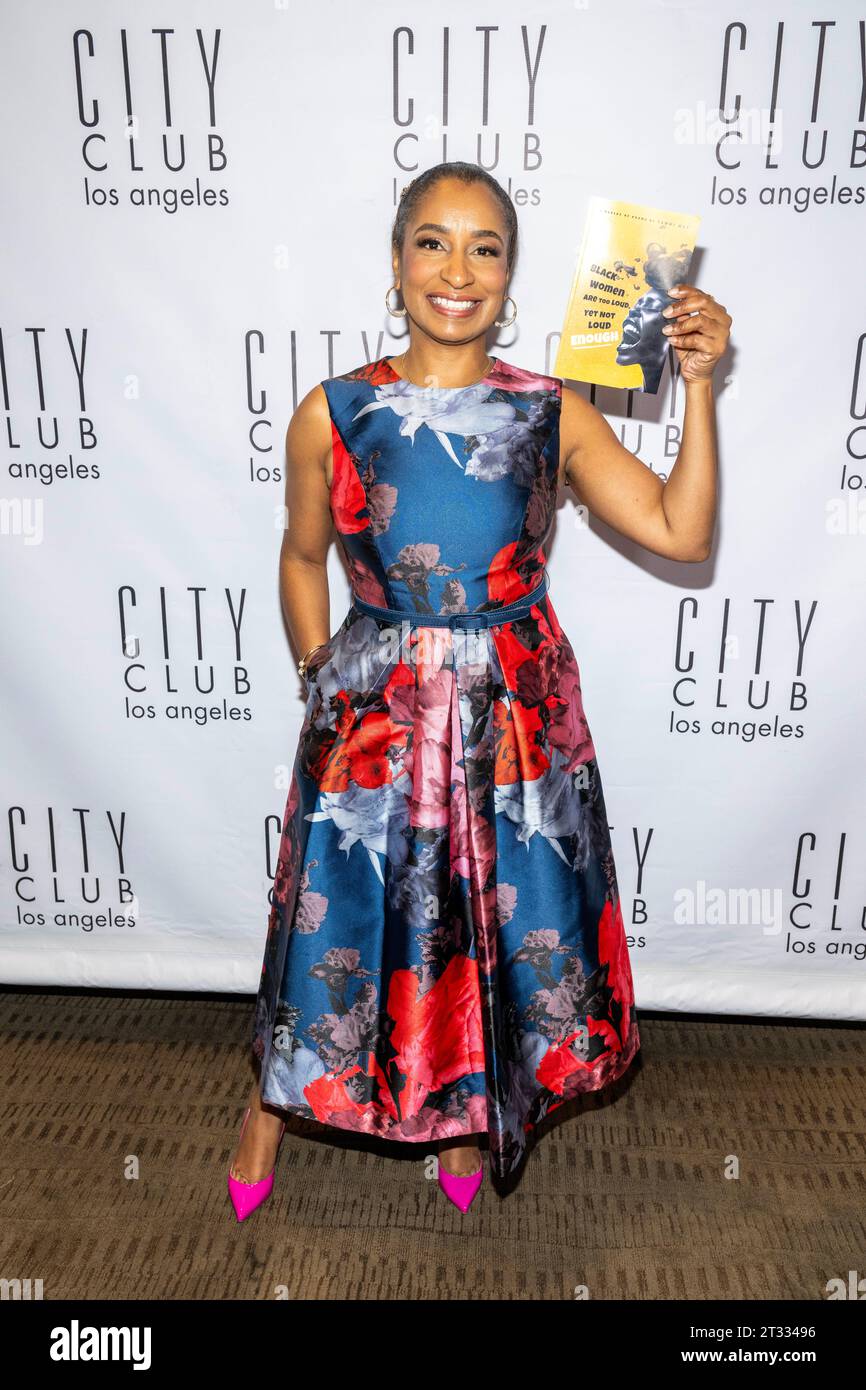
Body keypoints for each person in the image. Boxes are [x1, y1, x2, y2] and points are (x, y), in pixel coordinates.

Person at [227, 160, 730, 1218]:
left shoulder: (552, 413)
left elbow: (682, 535)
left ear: (510, 276)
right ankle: (264, 1109)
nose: (456, 270)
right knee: (338, 922)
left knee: (494, 921)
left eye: (485, 247)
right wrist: (322, 673)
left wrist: (693, 383)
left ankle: (465, 1103)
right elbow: (297, 553)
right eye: (432, 241)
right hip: (374, 720)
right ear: (396, 259)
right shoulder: (334, 411)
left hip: (517, 720)